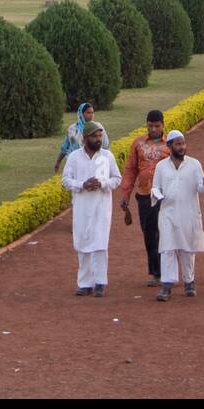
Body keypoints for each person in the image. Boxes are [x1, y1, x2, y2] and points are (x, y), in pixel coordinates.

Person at [151, 130, 204, 301]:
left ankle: (189, 281)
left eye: (183, 143)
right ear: (169, 146)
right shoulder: (161, 167)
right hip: (168, 214)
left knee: (188, 249)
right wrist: (157, 194)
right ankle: (166, 285)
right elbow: (155, 187)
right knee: (167, 248)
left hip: (189, 213)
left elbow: (200, 188)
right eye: (178, 144)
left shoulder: (194, 164)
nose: (182, 147)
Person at [60, 121, 121, 296]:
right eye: (94, 136)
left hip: (102, 208)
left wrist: (102, 183)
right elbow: (65, 180)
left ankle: (100, 282)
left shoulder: (108, 156)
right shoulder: (74, 157)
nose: (98, 139)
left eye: (100, 136)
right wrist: (82, 184)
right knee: (83, 243)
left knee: (100, 244)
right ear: (85, 138)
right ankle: (84, 283)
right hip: (81, 207)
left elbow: (117, 178)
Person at [119, 109, 171, 286]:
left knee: (165, 232)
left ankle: (167, 271)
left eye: (157, 126)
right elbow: (131, 169)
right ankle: (156, 273)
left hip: (166, 196)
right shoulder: (138, 143)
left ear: (163, 125)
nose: (154, 129)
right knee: (149, 233)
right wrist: (125, 194)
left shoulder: (170, 144)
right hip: (144, 195)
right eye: (150, 126)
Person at [54, 102, 108, 172]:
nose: (91, 115)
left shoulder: (98, 128)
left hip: (93, 163)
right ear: (81, 114)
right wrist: (58, 162)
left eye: (92, 113)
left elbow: (105, 146)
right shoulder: (72, 130)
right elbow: (65, 147)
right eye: (88, 113)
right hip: (75, 164)